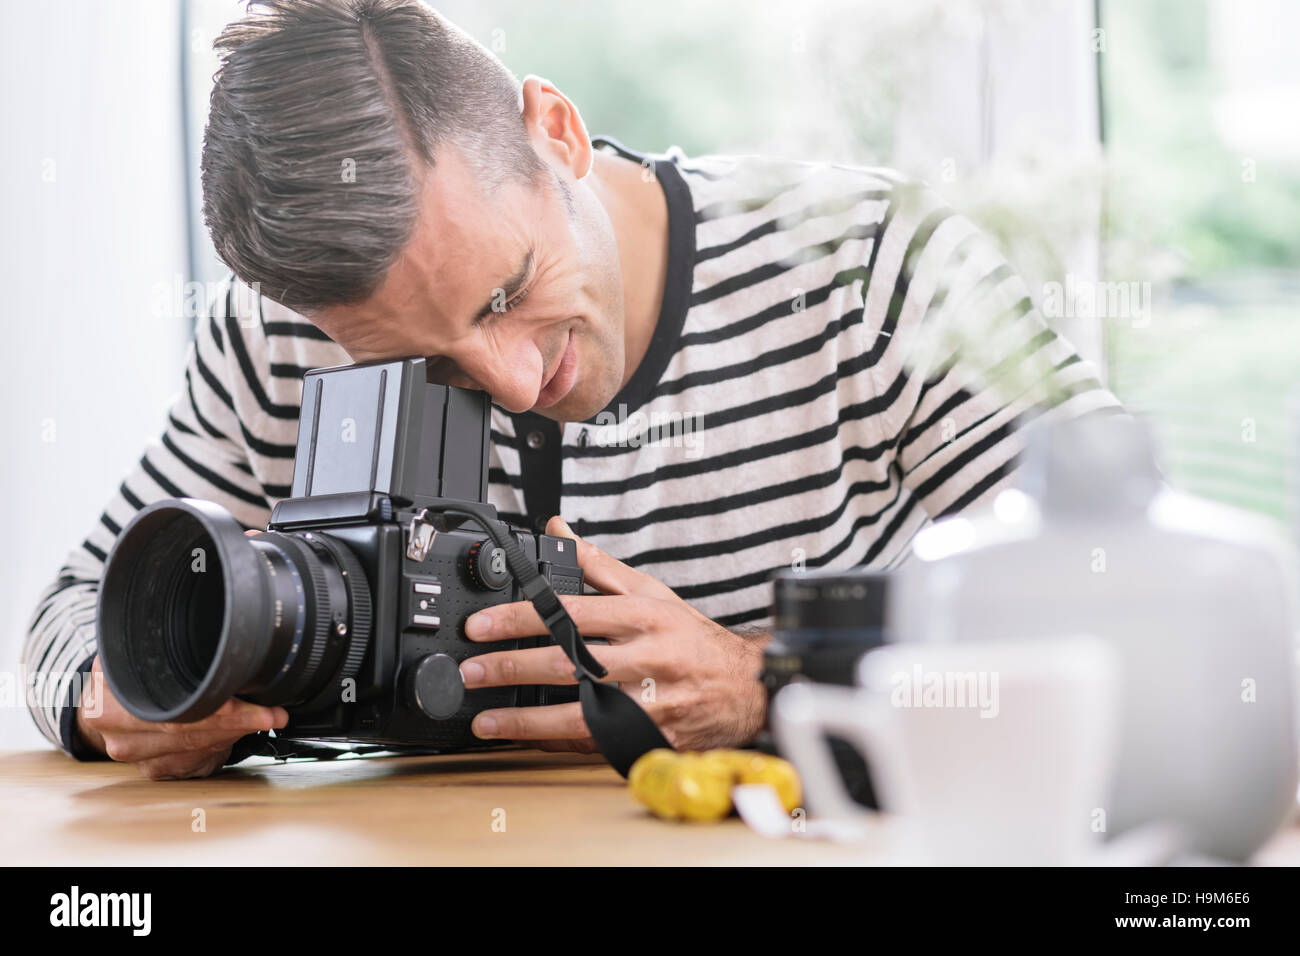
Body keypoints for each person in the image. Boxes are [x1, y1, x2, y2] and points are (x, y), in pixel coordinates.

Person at [23, 0, 1122, 779]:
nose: (509, 379)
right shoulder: (288, 343)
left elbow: (1124, 597)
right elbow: (68, 617)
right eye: (431, 365)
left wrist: (767, 688)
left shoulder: (870, 264)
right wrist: (117, 701)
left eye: (507, 289)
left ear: (555, 130)